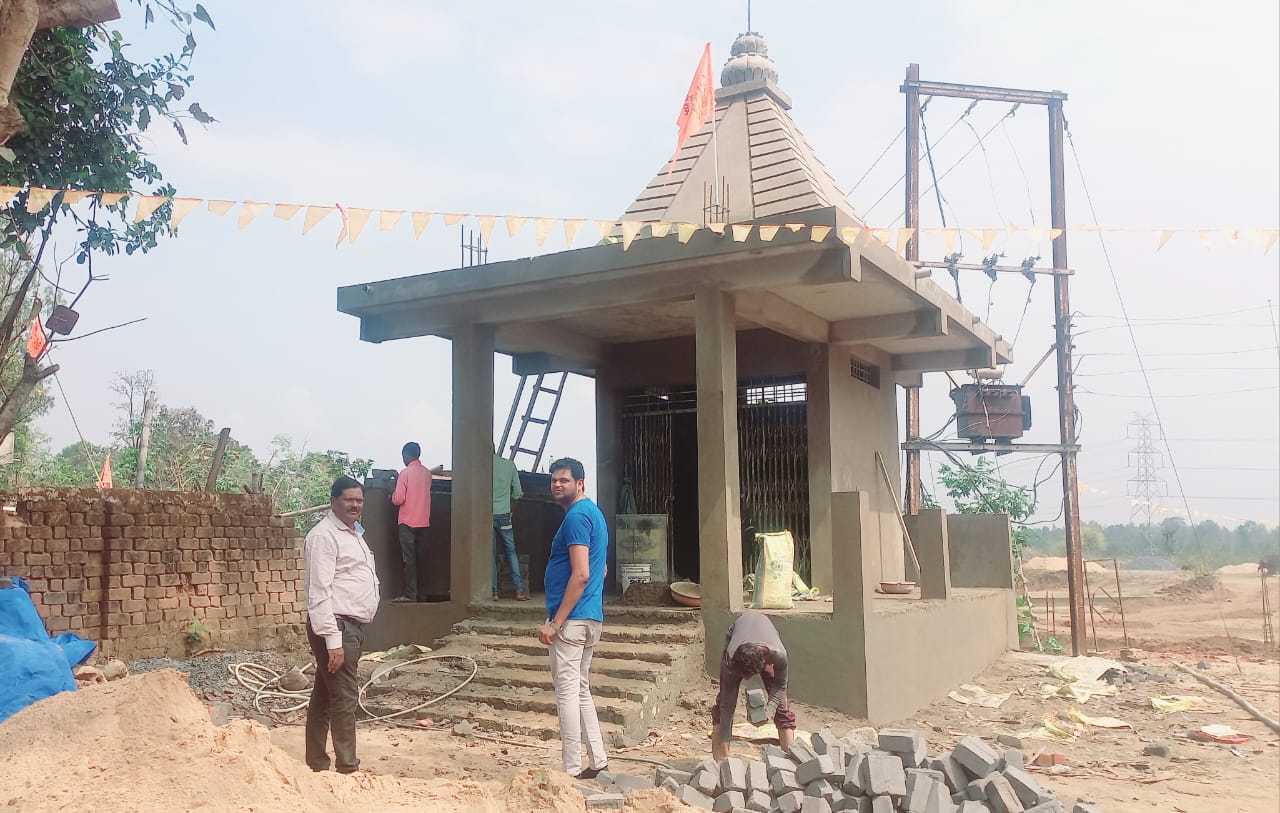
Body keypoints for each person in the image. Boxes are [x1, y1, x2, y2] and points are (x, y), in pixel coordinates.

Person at [536, 457, 609, 779]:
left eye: (564, 480)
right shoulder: (594, 513)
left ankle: (570, 770)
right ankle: (598, 761)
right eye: (554, 480)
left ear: (580, 483)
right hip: (591, 616)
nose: (557, 485)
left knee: (566, 693)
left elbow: (581, 574)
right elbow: (600, 570)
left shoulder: (577, 517)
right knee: (580, 690)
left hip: (573, 619)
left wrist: (555, 622)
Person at [303, 476, 380, 774]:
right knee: (345, 697)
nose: (354, 505)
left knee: (325, 695)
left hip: (349, 626)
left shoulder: (353, 533)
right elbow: (318, 591)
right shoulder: (324, 536)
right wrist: (333, 640)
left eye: (359, 500)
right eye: (349, 499)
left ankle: (317, 764)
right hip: (335, 626)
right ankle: (348, 767)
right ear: (333, 500)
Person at [711, 610, 796, 761]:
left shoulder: (778, 655)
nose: (746, 680)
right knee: (724, 702)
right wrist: (724, 761)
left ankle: (790, 758)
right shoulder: (731, 658)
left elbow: (780, 687)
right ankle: (720, 757)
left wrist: (768, 712)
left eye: (748, 676)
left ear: (764, 664)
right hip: (738, 630)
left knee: (782, 706)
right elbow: (727, 705)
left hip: (766, 632)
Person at [390, 442, 442, 603]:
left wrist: (391, 496)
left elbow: (399, 499)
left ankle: (410, 595)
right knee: (422, 559)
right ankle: (422, 593)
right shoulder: (427, 474)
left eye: (403, 456)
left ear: (406, 455)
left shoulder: (404, 473)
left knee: (409, 560)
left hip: (407, 522)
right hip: (423, 521)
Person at [492, 446, 527, 601]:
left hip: (486, 516)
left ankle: (493, 592)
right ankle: (519, 591)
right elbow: (518, 493)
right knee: (511, 551)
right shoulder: (509, 465)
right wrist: (511, 511)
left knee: (489, 555)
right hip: (504, 514)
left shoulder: (481, 467)